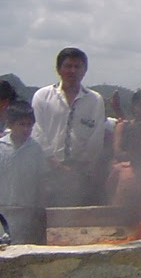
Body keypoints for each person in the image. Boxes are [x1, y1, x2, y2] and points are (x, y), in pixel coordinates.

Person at [31, 48, 106, 206]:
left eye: (77, 67)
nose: (73, 71)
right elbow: (37, 131)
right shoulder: (43, 96)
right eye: (68, 66)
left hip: (80, 172)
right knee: (47, 217)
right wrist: (54, 163)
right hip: (47, 170)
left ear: (85, 70)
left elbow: (96, 137)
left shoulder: (94, 100)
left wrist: (82, 165)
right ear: (59, 69)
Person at [0, 101, 49, 243]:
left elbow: (41, 179)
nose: (26, 129)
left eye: (29, 125)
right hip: (4, 205)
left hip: (27, 206)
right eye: (21, 124)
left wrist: (40, 206)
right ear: (10, 125)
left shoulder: (35, 149)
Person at [108, 89, 141, 208]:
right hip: (125, 172)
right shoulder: (123, 126)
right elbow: (118, 153)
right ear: (133, 107)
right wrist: (139, 157)